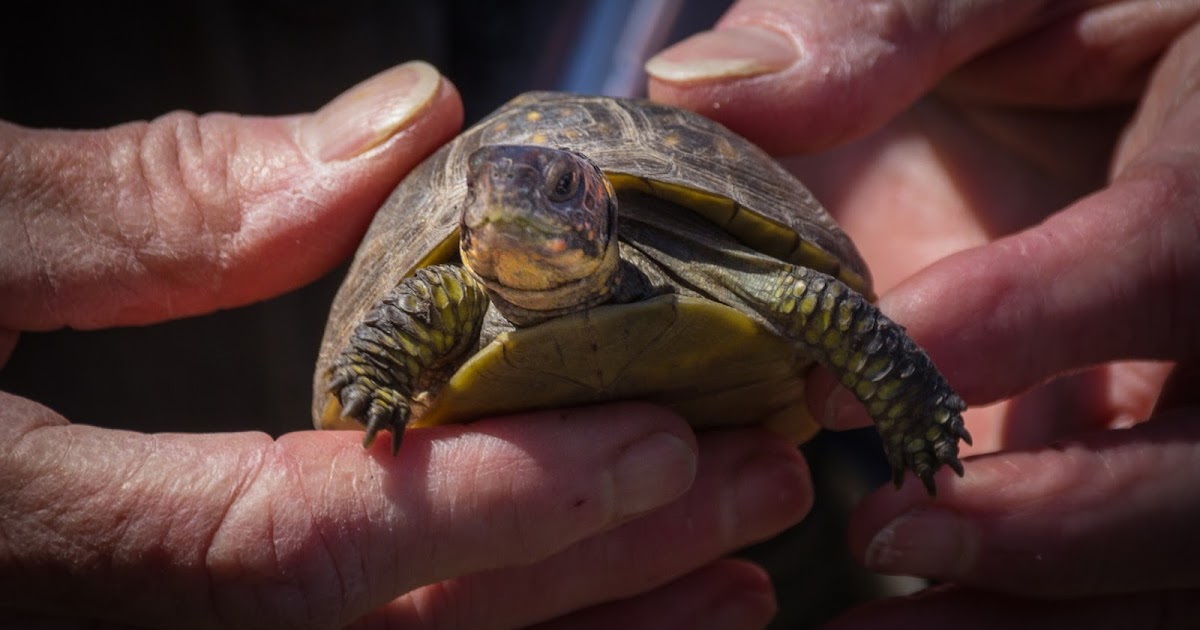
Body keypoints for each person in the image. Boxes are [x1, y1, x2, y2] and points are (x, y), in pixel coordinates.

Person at [1, 2, 1196, 628]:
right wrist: (377, 369)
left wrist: (917, 411)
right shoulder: (454, 290)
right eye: (494, 204)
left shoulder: (732, 270)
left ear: (600, 209)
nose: (520, 209)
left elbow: (825, 303)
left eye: (557, 191)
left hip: (753, 526)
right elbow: (390, 342)